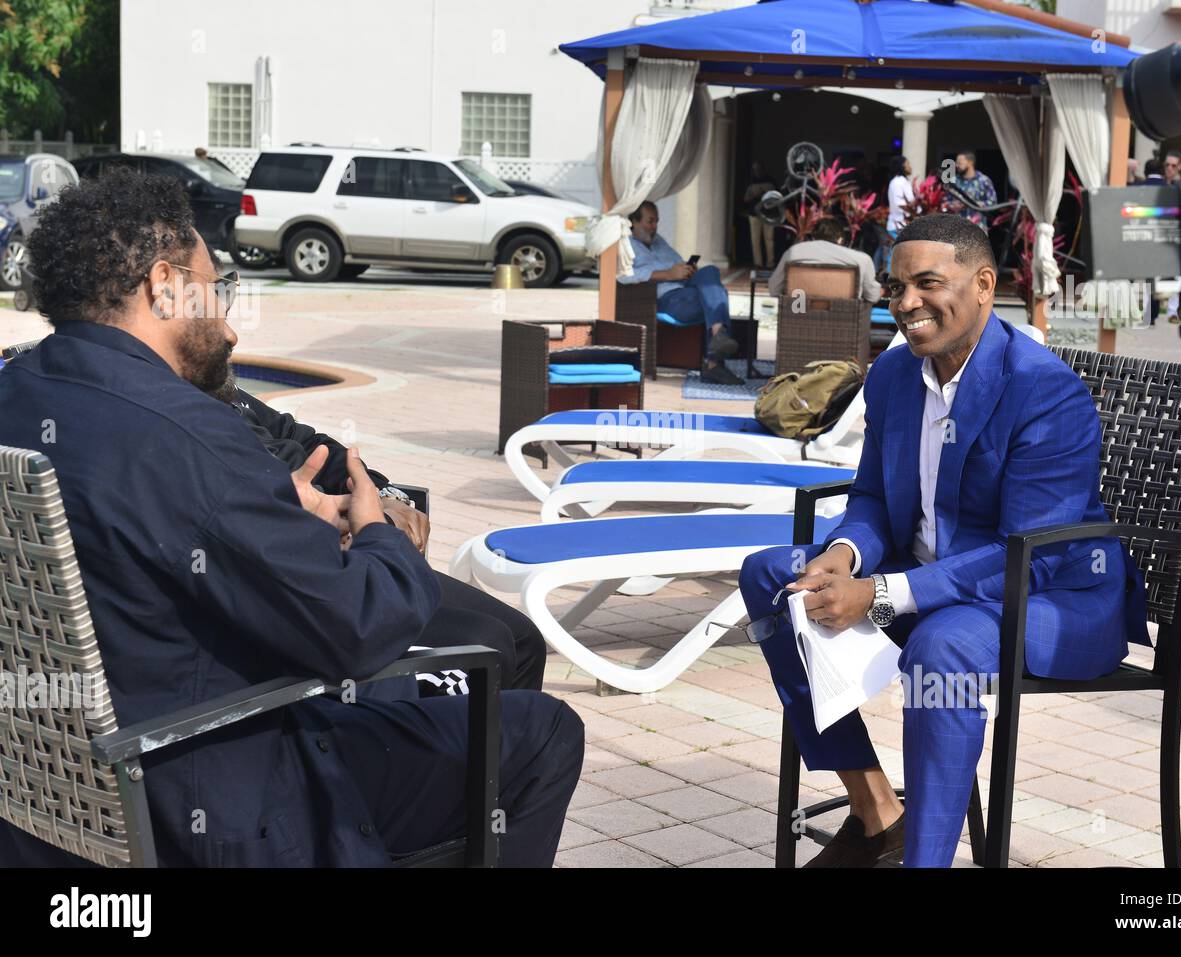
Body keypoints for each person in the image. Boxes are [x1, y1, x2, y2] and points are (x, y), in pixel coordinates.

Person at [0, 168, 582, 867]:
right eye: (218, 290)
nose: (227, 318)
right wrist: (376, 533)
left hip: (54, 803)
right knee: (544, 733)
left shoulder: (18, 390)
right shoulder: (184, 433)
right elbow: (360, 628)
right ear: (163, 285)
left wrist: (279, 514)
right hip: (214, 802)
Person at [738, 213, 1147, 868]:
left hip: (1050, 599)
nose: (906, 303)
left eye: (927, 283)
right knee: (773, 578)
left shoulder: (1044, 392)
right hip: (928, 585)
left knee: (943, 644)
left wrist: (880, 592)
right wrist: (843, 558)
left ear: (984, 284)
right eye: (896, 287)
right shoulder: (895, 375)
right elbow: (871, 495)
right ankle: (877, 811)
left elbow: (1028, 554)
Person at [216, 377, 548, 693]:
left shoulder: (217, 388)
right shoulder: (187, 420)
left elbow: (306, 440)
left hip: (355, 558)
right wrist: (361, 522)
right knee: (489, 643)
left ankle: (484, 747)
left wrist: (381, 495)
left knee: (524, 640)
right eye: (216, 316)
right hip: (302, 589)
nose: (230, 334)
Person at [619, 200, 742, 386]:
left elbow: (678, 262)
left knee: (709, 272)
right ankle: (714, 361)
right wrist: (668, 274)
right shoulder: (625, 245)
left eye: (656, 221)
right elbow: (624, 276)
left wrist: (687, 270)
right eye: (650, 221)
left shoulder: (658, 241)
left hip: (685, 287)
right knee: (717, 294)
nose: (654, 227)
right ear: (634, 222)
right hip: (666, 299)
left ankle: (718, 337)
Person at [767, 218, 882, 303]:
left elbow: (774, 289)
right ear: (840, 239)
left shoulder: (793, 253)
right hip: (844, 323)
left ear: (812, 237)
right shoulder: (861, 259)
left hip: (798, 318)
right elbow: (872, 296)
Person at [951, 150, 998, 230]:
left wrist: (973, 204)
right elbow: (945, 201)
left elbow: (993, 203)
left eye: (959, 162)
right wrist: (953, 205)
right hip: (956, 229)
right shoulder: (954, 181)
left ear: (970, 162)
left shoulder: (984, 181)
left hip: (978, 229)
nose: (956, 165)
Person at [743, 161, 777, 270]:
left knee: (769, 239)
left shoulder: (771, 182)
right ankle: (758, 263)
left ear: (763, 169)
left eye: (758, 169)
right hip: (754, 213)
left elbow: (776, 197)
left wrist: (764, 194)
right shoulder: (750, 182)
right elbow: (745, 199)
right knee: (755, 239)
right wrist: (754, 195)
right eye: (755, 169)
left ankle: (770, 263)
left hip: (768, 214)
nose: (757, 171)